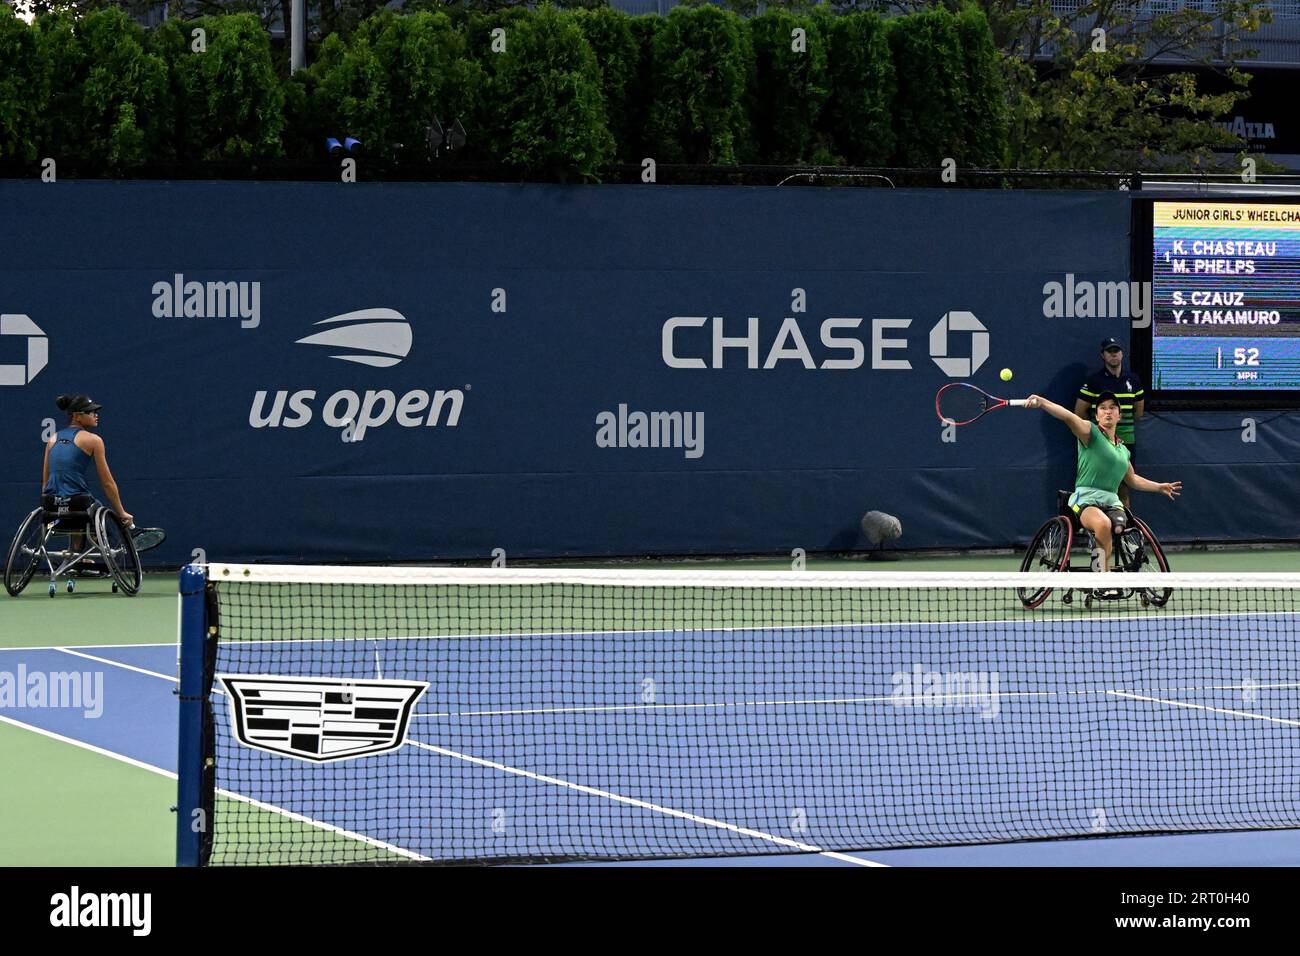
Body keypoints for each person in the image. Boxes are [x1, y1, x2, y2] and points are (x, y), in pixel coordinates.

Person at [1026, 391, 1179, 573]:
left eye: (1113, 408)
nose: (1108, 412)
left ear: (1119, 416)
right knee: (1103, 524)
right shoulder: (1089, 432)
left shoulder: (1123, 450)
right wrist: (1042, 402)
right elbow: (1067, 416)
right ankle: (1101, 575)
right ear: (1097, 415)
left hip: (1112, 502)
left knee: (1121, 527)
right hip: (1085, 500)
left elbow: (1133, 479)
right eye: (1103, 408)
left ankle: (1114, 561)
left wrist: (1159, 487)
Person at [42, 395, 133, 535]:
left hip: (51, 509)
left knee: (78, 514)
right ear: (77, 416)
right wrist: (121, 512)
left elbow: (45, 481)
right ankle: (82, 553)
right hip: (78, 505)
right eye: (91, 412)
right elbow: (107, 483)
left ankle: (75, 553)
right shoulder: (94, 440)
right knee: (97, 514)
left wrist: (48, 507)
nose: (96, 415)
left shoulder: (52, 439)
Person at [1074, 338, 1145, 508]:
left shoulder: (1133, 380)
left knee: (1124, 487)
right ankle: (1097, 526)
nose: (1113, 354)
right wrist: (1099, 434)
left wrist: (1118, 430)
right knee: (1098, 487)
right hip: (1100, 443)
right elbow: (1079, 413)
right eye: (1109, 351)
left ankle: (1124, 530)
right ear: (1103, 355)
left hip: (1126, 442)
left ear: (1123, 354)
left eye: (1116, 351)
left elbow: (1138, 412)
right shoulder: (1094, 381)